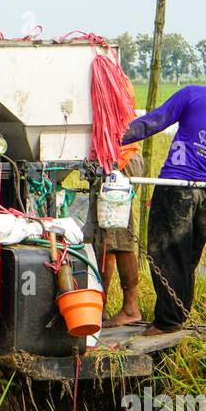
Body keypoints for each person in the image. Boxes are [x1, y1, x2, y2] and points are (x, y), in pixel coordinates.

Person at [119, 60, 206, 335]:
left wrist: (113, 137)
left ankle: (165, 323)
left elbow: (153, 122)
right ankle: (176, 317)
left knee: (166, 254)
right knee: (186, 258)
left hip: (175, 187)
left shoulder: (194, 93)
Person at [88, 72, 144, 326]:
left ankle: (130, 308)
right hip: (116, 161)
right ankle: (100, 307)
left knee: (118, 240)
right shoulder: (115, 78)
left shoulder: (111, 82)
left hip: (120, 162)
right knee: (107, 241)